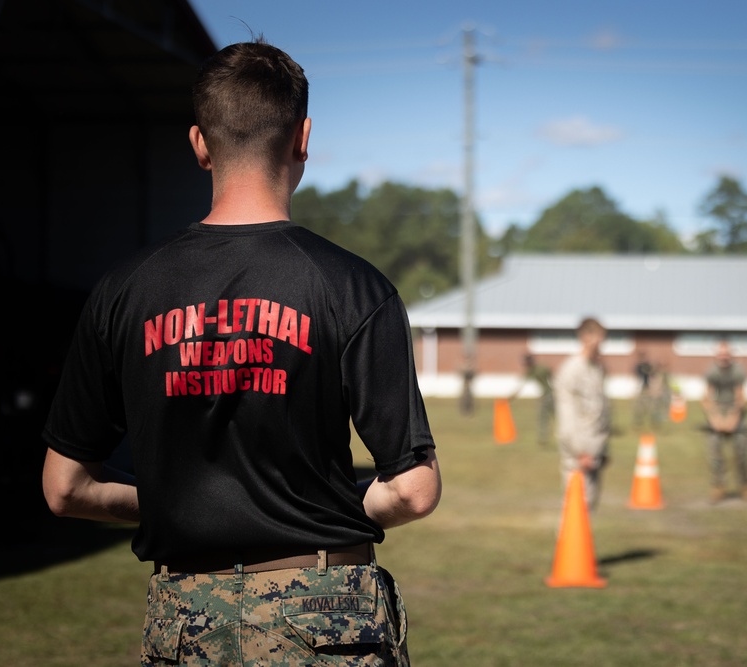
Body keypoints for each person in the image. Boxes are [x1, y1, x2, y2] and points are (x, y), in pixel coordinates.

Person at [41, 38, 441, 666]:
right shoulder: (353, 287)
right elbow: (413, 491)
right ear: (302, 138)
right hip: (325, 617)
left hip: (185, 624)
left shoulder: (123, 290)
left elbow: (65, 488)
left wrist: (187, 504)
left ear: (199, 143)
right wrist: (315, 506)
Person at [554, 317, 611, 510]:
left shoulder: (596, 369)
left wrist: (603, 448)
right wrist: (578, 451)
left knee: (590, 505)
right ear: (586, 337)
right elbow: (567, 415)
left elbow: (600, 412)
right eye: (599, 338)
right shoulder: (572, 369)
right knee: (576, 507)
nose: (602, 344)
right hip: (579, 451)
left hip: (595, 446)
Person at [701, 340, 747, 503]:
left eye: (726, 354)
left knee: (742, 454)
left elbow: (741, 397)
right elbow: (707, 397)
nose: (723, 357)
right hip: (717, 412)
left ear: (731, 355)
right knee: (715, 454)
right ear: (716, 356)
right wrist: (715, 419)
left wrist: (733, 419)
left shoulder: (738, 371)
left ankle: (746, 487)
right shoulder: (711, 372)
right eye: (720, 354)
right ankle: (719, 488)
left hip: (737, 414)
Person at [511, 354, 555, 446]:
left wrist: (512, 397)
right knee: (556, 415)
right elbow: (551, 373)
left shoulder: (533, 371)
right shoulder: (542, 367)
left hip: (546, 395)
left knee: (542, 417)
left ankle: (543, 438)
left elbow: (521, 386)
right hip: (552, 394)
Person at [631, 352, 656, 432]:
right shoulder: (639, 366)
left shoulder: (648, 366)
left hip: (647, 386)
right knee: (639, 404)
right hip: (640, 386)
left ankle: (652, 419)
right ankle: (638, 419)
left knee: (650, 403)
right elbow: (635, 374)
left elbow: (652, 375)